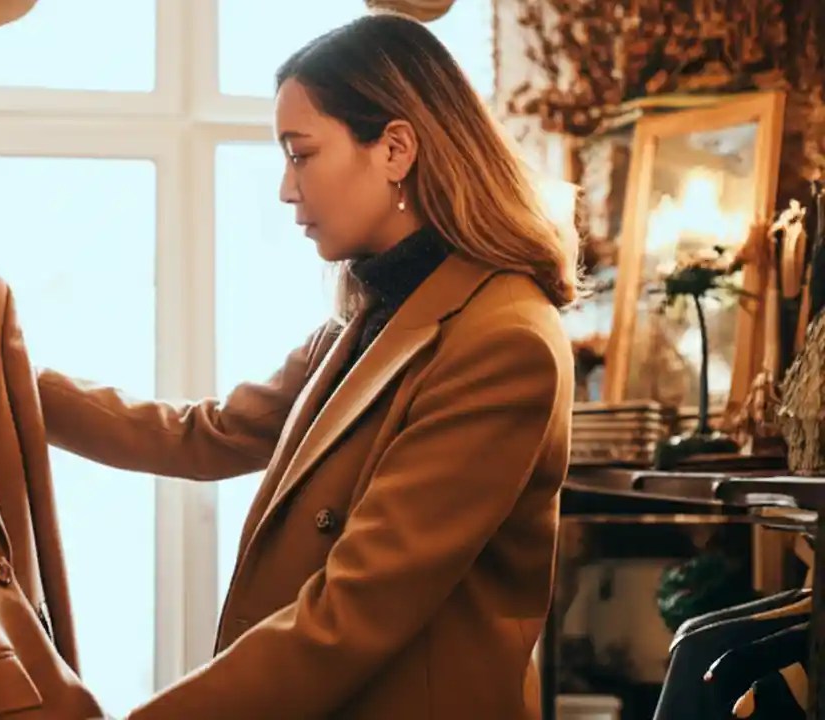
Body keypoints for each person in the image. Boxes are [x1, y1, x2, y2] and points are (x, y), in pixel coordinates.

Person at [37, 13, 577, 720]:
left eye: (301, 154)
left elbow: (352, 614)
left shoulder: (502, 343)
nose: (287, 191)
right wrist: (8, 378)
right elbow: (205, 434)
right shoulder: (378, 313)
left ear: (395, 148)